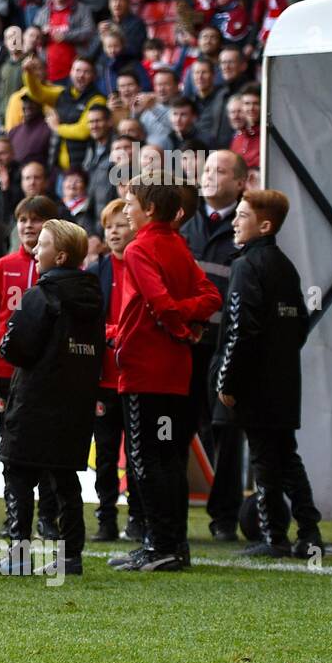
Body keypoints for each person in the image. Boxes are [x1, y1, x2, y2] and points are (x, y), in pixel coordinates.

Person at [110, 174, 221, 573]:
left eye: (129, 204)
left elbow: (159, 303)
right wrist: (188, 325)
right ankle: (173, 544)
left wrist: (178, 326)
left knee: (145, 459)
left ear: (149, 208)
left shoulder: (141, 248)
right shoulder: (177, 245)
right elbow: (210, 296)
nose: (125, 212)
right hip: (174, 373)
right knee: (168, 456)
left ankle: (159, 545)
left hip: (146, 371)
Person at [212, 189, 323, 559]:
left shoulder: (246, 266)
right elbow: (300, 326)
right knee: (285, 455)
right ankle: (308, 531)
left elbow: (242, 329)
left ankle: (275, 535)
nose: (234, 223)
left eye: (241, 216)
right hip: (284, 381)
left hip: (256, 385)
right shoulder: (285, 266)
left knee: (265, 459)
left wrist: (227, 381)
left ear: (264, 225)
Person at [0, 219, 104, 575]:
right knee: (64, 477)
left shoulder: (41, 294)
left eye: (41, 245)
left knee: (18, 471)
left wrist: (8, 340)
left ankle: (19, 552)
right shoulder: (93, 296)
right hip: (76, 403)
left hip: (35, 400)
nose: (33, 250)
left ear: (58, 255)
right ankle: (70, 555)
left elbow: (15, 349)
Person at [0, 196, 62, 540]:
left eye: (36, 220)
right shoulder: (3, 266)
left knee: (46, 447)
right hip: (5, 372)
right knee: (11, 450)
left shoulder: (59, 273)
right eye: (23, 220)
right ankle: (17, 517)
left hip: (46, 374)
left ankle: (47, 518)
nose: (28, 226)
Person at [182, 149, 247, 541]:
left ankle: (224, 518)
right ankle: (166, 514)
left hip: (224, 350)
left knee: (227, 433)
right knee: (176, 429)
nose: (210, 176)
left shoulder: (247, 227)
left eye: (220, 171)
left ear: (241, 183)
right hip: (186, 347)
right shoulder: (186, 225)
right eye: (207, 169)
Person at [88, 200, 143, 542]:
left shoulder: (143, 266)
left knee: (138, 453)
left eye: (121, 224)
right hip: (104, 379)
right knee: (106, 454)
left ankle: (138, 518)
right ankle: (106, 518)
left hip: (138, 376)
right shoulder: (97, 271)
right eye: (109, 226)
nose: (113, 231)